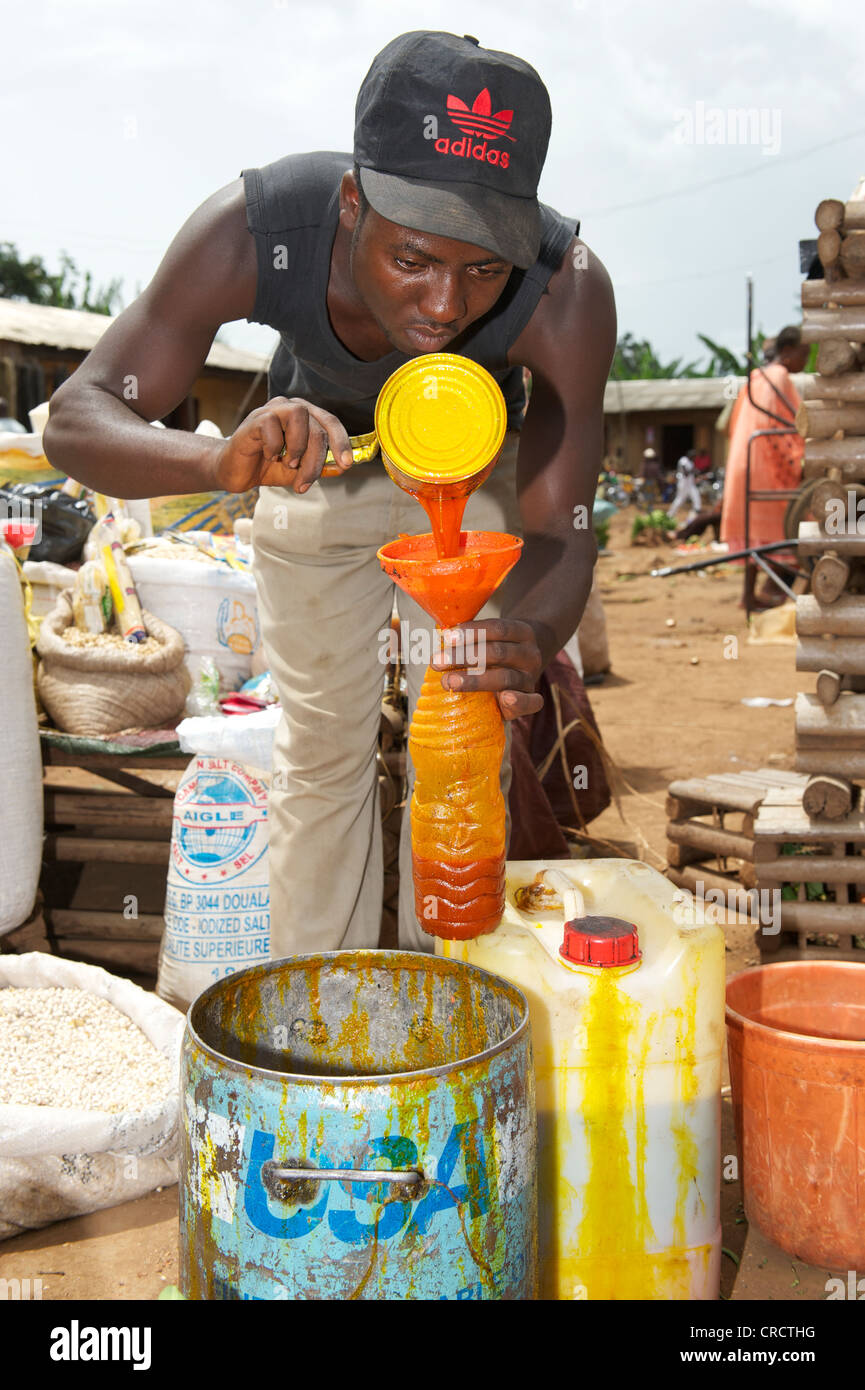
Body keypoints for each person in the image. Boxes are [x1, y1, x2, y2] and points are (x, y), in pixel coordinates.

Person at [43, 31, 615, 957]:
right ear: (353, 203)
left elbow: (565, 527)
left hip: (470, 486)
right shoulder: (260, 230)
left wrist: (534, 640)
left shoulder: (565, 289)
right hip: (312, 471)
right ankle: (324, 1007)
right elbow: (79, 414)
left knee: (461, 751)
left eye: (483, 269)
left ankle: (446, 1009)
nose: (445, 306)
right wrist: (214, 462)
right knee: (321, 758)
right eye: (415, 259)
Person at [720, 324, 809, 609]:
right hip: (764, 466)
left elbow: (732, 425)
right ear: (786, 351)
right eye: (804, 353)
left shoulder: (753, 378)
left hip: (742, 461)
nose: (806, 360)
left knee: (752, 532)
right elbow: (789, 428)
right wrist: (801, 460)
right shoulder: (779, 377)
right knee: (797, 525)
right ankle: (781, 594)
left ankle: (750, 596)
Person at [667, 448, 701, 520]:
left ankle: (697, 512)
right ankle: (670, 515)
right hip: (683, 483)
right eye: (693, 456)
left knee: (696, 496)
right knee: (680, 499)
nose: (694, 457)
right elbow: (686, 473)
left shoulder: (691, 462)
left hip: (690, 484)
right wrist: (694, 471)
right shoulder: (683, 460)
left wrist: (696, 473)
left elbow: (692, 472)